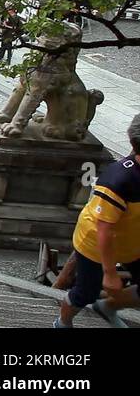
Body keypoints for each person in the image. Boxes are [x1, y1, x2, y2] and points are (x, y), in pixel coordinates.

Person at [56, 113, 140, 328]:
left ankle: (109, 307)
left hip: (132, 241)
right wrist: (110, 272)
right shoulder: (119, 181)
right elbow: (104, 229)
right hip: (95, 243)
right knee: (86, 292)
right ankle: (63, 323)